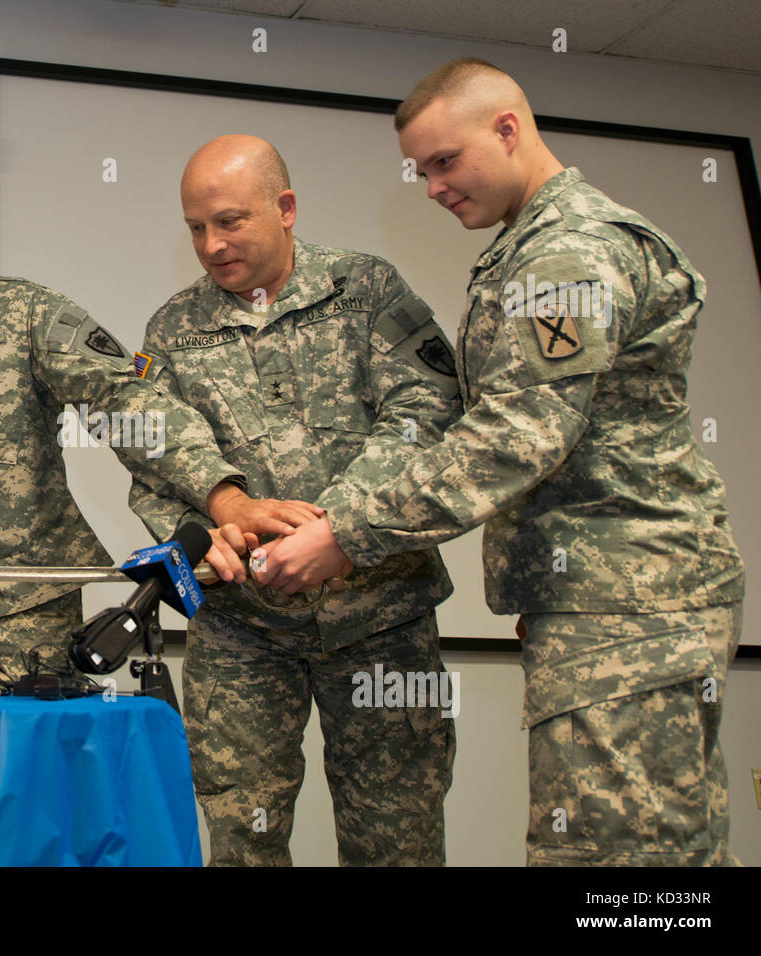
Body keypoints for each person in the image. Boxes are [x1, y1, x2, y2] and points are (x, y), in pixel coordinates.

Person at [260, 59, 745, 866]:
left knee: (618, 866)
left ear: (508, 129)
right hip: (606, 600)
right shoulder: (531, 248)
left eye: (445, 161)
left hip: (630, 608)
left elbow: (518, 435)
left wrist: (348, 532)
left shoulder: (566, 256)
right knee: (659, 856)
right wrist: (543, 582)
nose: (432, 187)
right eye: (420, 171)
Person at [128, 135, 464, 865]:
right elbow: (150, 460)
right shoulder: (172, 331)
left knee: (396, 840)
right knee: (242, 840)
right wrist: (198, 530)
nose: (211, 245)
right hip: (242, 632)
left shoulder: (366, 289)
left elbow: (429, 409)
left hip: (381, 619)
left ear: (285, 208)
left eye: (229, 221)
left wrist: (337, 526)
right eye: (194, 228)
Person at [0, 193, 303, 686]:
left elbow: (124, 406)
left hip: (22, 615)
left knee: (24, 760)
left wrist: (222, 495)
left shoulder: (26, 315)